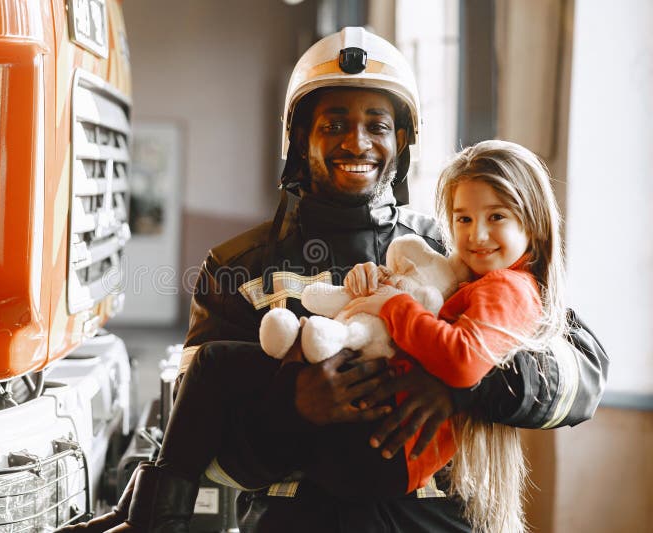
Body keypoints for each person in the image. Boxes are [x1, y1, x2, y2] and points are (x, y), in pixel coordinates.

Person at [60, 27, 607, 533]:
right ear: (300, 138)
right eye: (334, 124)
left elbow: (583, 374)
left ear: (403, 139)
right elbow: (203, 451)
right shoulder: (236, 266)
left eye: (378, 125)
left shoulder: (455, 247)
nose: (357, 142)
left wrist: (466, 386)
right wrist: (293, 408)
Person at [340, 139, 566, 532]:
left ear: (533, 223)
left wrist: (394, 304)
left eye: (496, 216)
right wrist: (383, 280)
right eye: (463, 219)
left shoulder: (506, 287)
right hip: (398, 453)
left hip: (398, 453)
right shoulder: (472, 279)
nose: (478, 235)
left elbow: (460, 361)